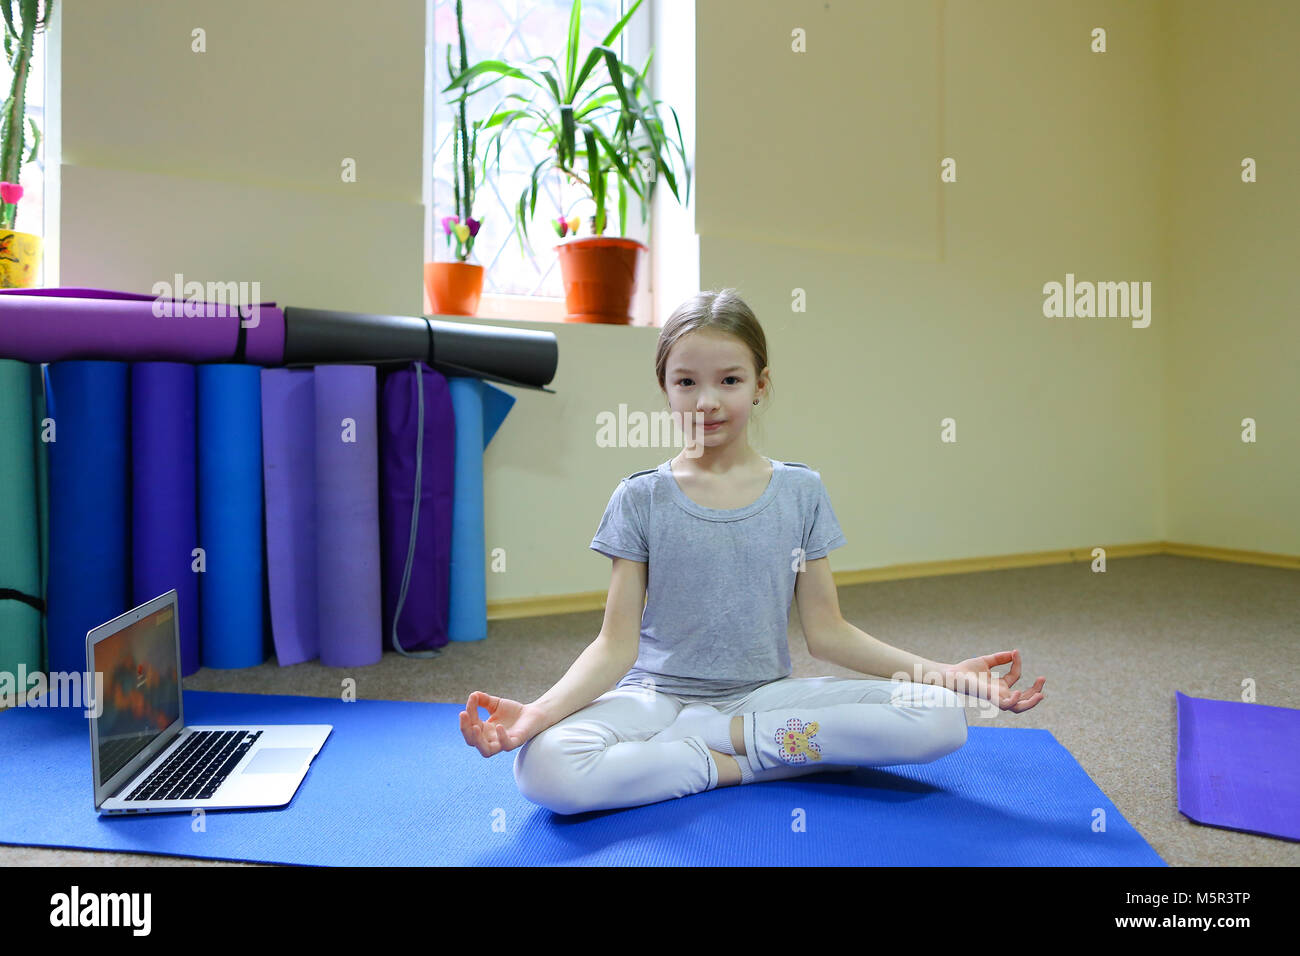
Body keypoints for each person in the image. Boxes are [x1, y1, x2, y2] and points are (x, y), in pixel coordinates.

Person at [459, 288, 1046, 815]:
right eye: (686, 381)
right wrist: (538, 714)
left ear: (760, 386)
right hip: (657, 699)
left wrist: (942, 675)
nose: (707, 400)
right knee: (543, 769)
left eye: (730, 380)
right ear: (664, 389)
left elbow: (828, 633)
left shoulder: (801, 491)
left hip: (763, 698)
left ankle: (733, 742)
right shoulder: (640, 497)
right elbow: (614, 646)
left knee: (941, 717)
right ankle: (732, 765)